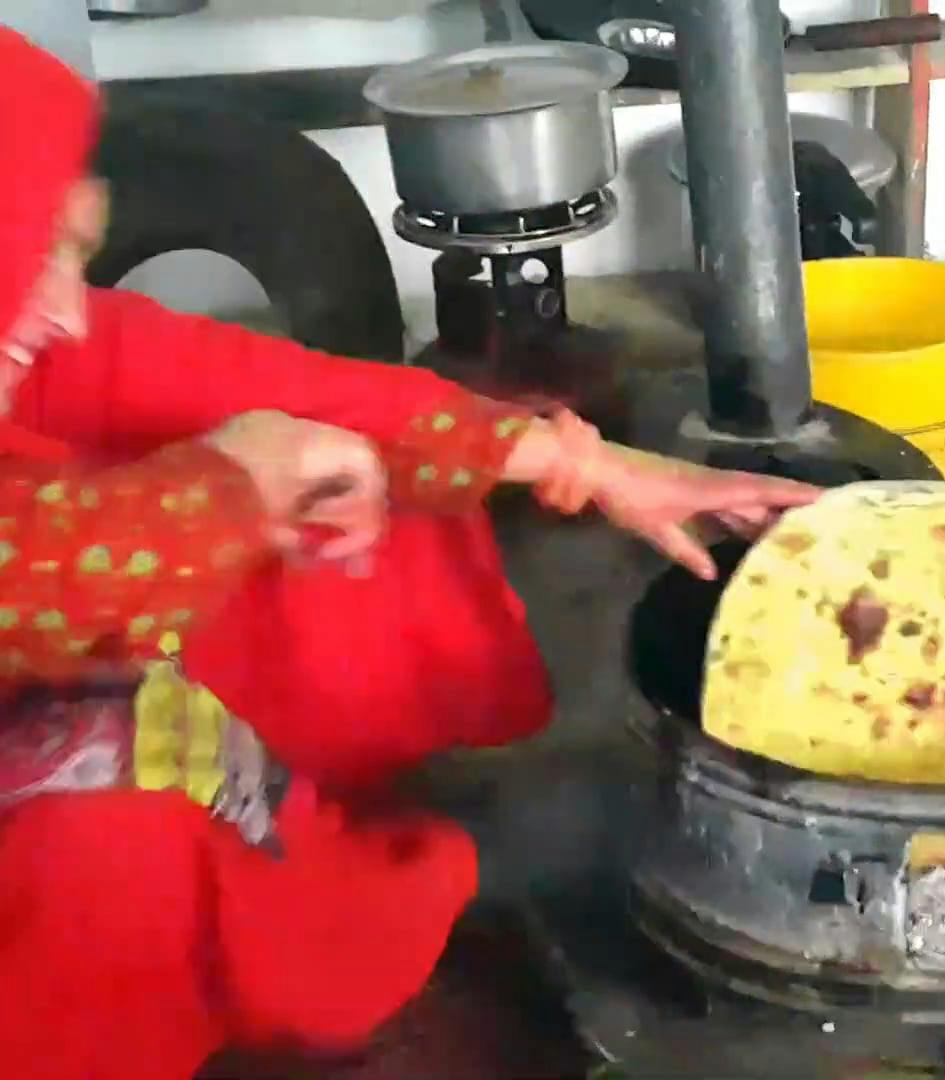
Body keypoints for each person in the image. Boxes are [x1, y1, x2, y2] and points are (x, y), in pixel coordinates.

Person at [0, 28, 820, 1079]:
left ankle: (383, 846)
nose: (66, 310)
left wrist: (594, 467)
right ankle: (345, 908)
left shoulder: (56, 349)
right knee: (114, 874)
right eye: (26, 258)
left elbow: (289, 391)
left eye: (72, 252)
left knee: (369, 508)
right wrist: (233, 484)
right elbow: (43, 583)